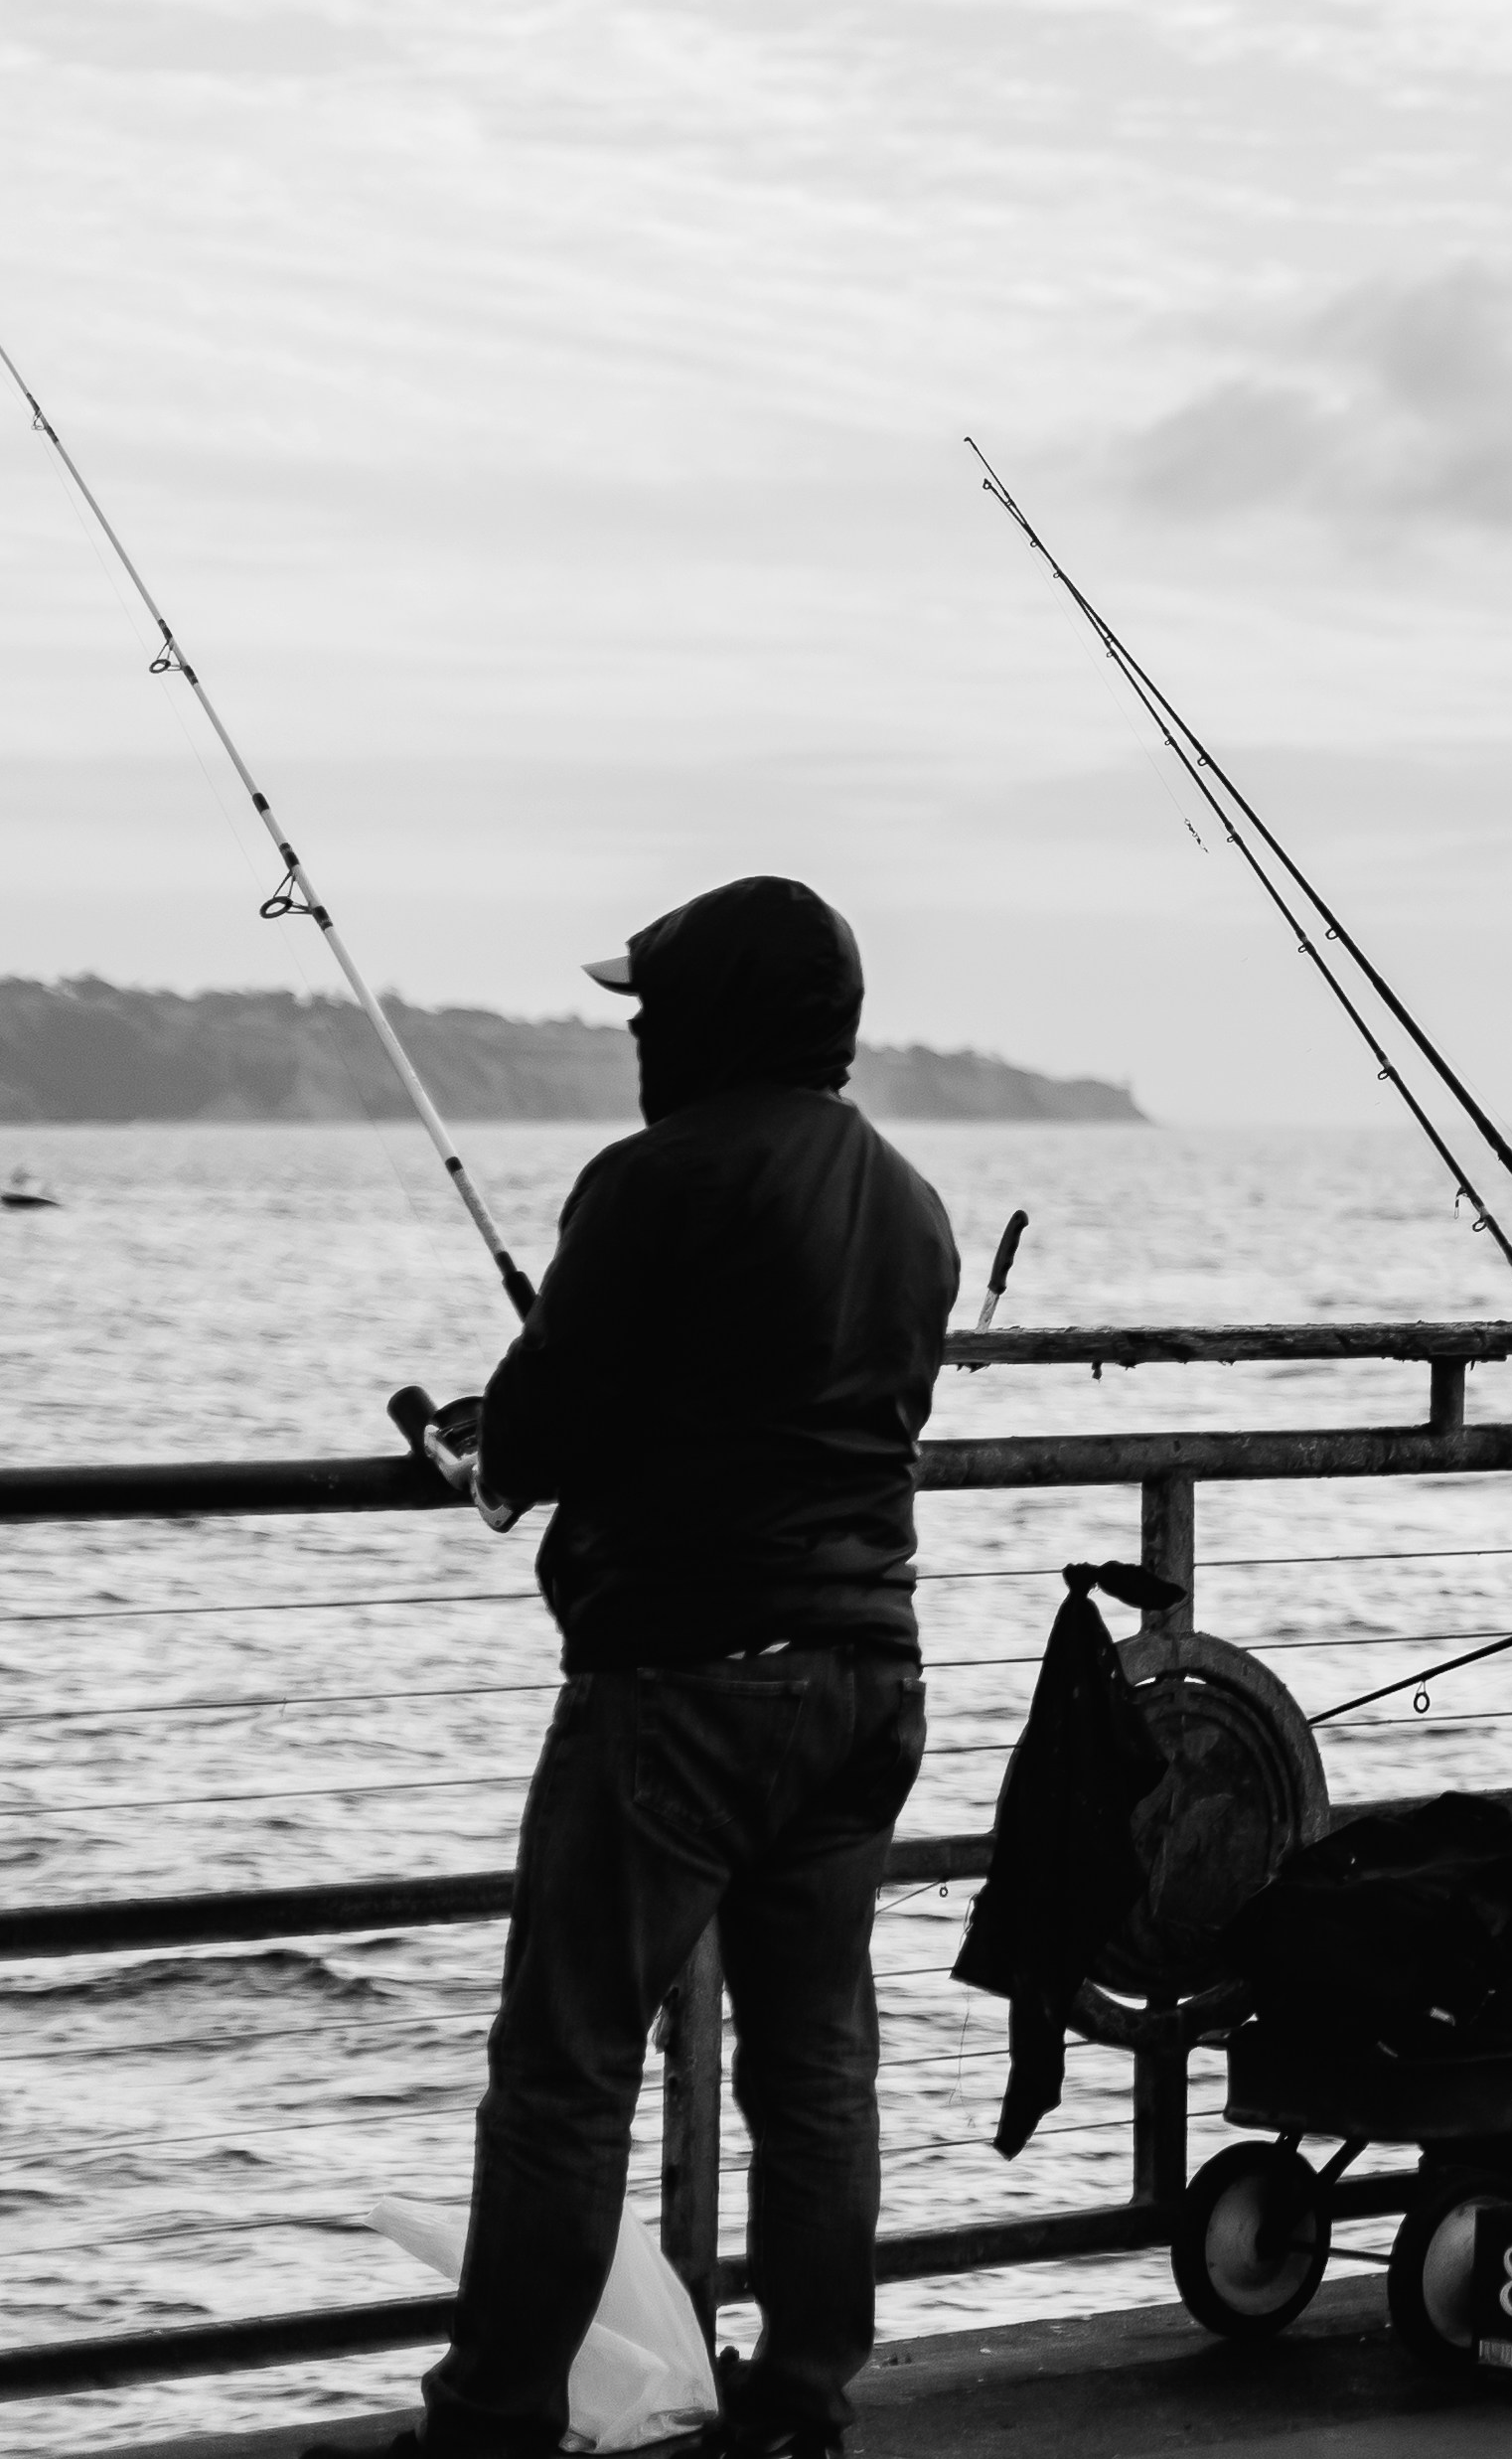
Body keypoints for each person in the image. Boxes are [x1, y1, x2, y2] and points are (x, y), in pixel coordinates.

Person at [340, 878, 957, 2459]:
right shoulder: (911, 1203)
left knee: (564, 2070)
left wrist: (492, 1440)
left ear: (711, 1015)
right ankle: (803, 2403)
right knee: (815, 2069)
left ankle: (492, 2425)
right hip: (864, 1676)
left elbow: (539, 1434)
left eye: (648, 1005)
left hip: (684, 1690)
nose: (629, 1031)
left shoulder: (653, 1180)